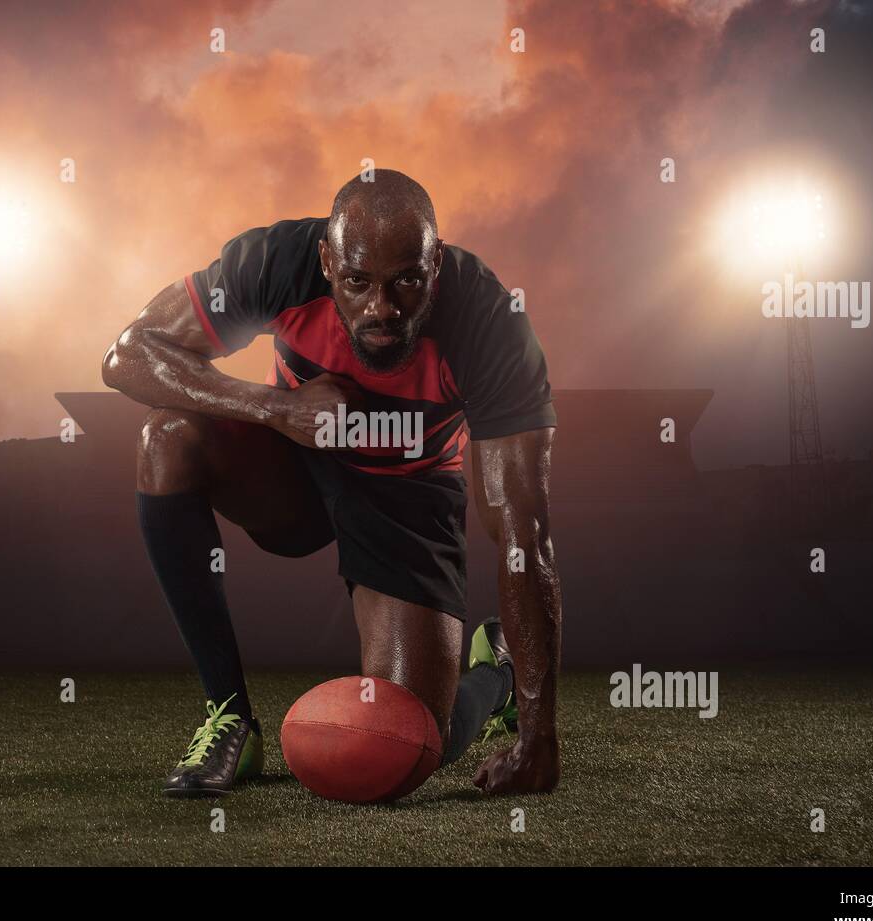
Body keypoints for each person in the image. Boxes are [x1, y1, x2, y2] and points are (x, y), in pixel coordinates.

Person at [102, 170, 561, 797]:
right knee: (167, 440)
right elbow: (128, 354)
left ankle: (493, 668)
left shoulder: (489, 324)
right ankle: (231, 718)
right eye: (357, 283)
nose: (382, 309)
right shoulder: (275, 262)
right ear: (325, 261)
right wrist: (274, 408)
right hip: (292, 461)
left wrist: (537, 738)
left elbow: (522, 534)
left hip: (408, 493)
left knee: (407, 741)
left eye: (406, 280)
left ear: (437, 261)